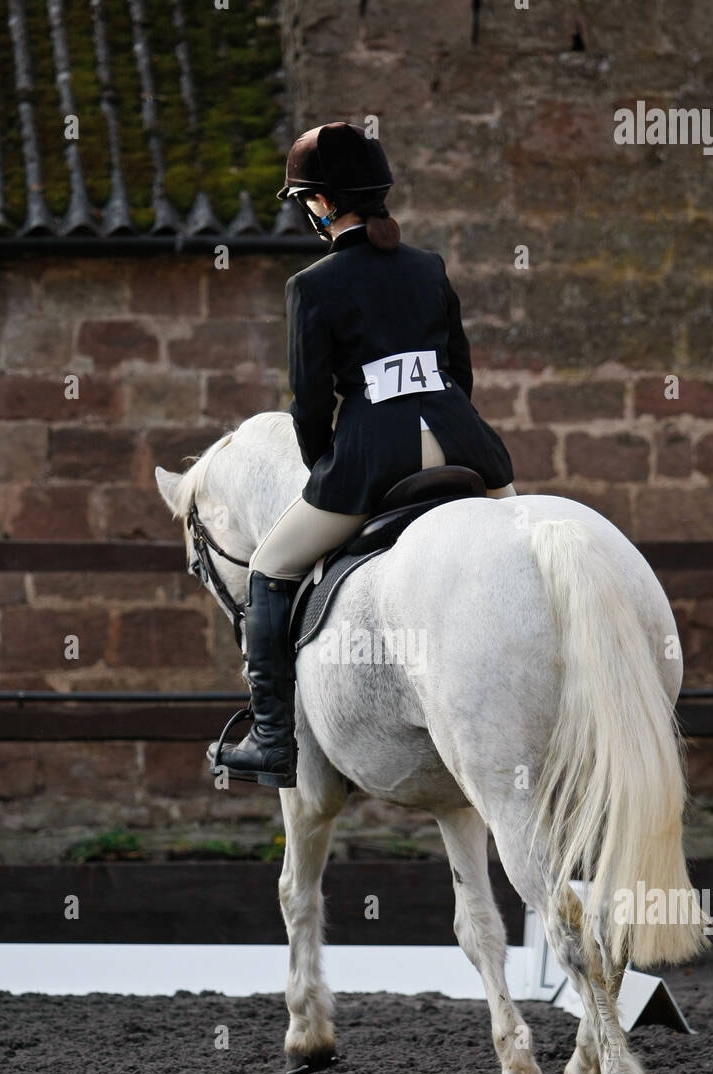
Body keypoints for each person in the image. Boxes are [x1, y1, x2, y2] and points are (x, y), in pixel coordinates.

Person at [214, 121, 516, 789]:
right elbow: (458, 372)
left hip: (373, 459)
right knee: (525, 550)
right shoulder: (428, 267)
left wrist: (329, 469)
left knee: (268, 566)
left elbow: (309, 404)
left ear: (319, 203)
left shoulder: (313, 285)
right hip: (468, 446)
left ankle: (271, 741)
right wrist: (445, 424)